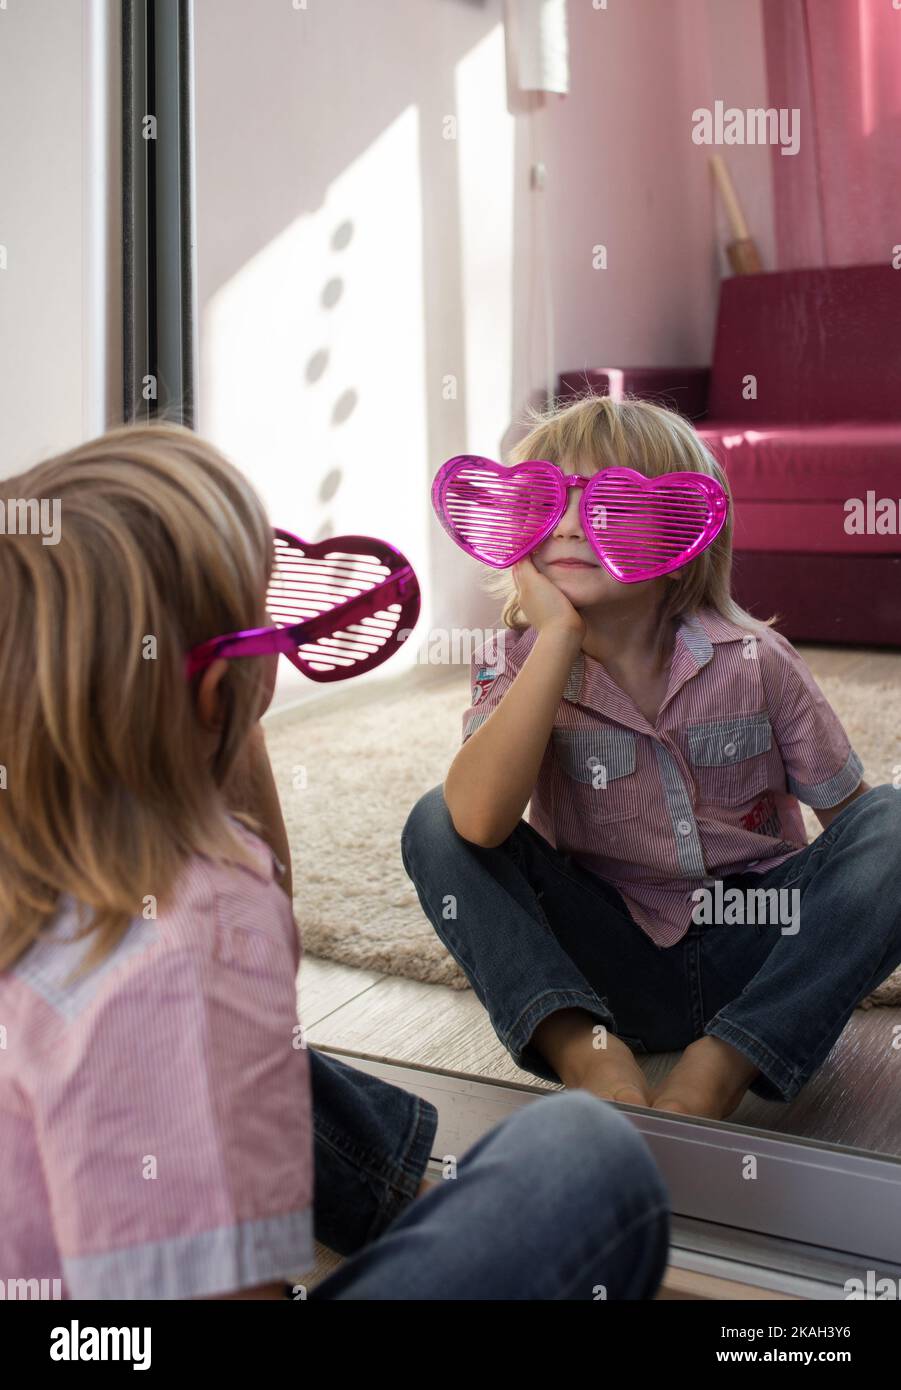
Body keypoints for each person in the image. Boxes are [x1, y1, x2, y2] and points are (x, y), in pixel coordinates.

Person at [0, 421, 670, 1300]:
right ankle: (420, 1210)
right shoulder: (193, 935)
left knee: (272, 1060)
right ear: (219, 691)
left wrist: (215, 720)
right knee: (585, 1159)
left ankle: (397, 1193)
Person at [402, 394, 901, 1120]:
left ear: (684, 536)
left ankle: (726, 1059)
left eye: (611, 503)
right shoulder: (513, 662)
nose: (568, 524)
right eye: (546, 501)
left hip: (757, 947)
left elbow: (857, 833)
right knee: (436, 819)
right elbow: (479, 823)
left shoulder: (756, 661)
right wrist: (555, 641)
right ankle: (581, 1048)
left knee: (894, 820)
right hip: (606, 961)